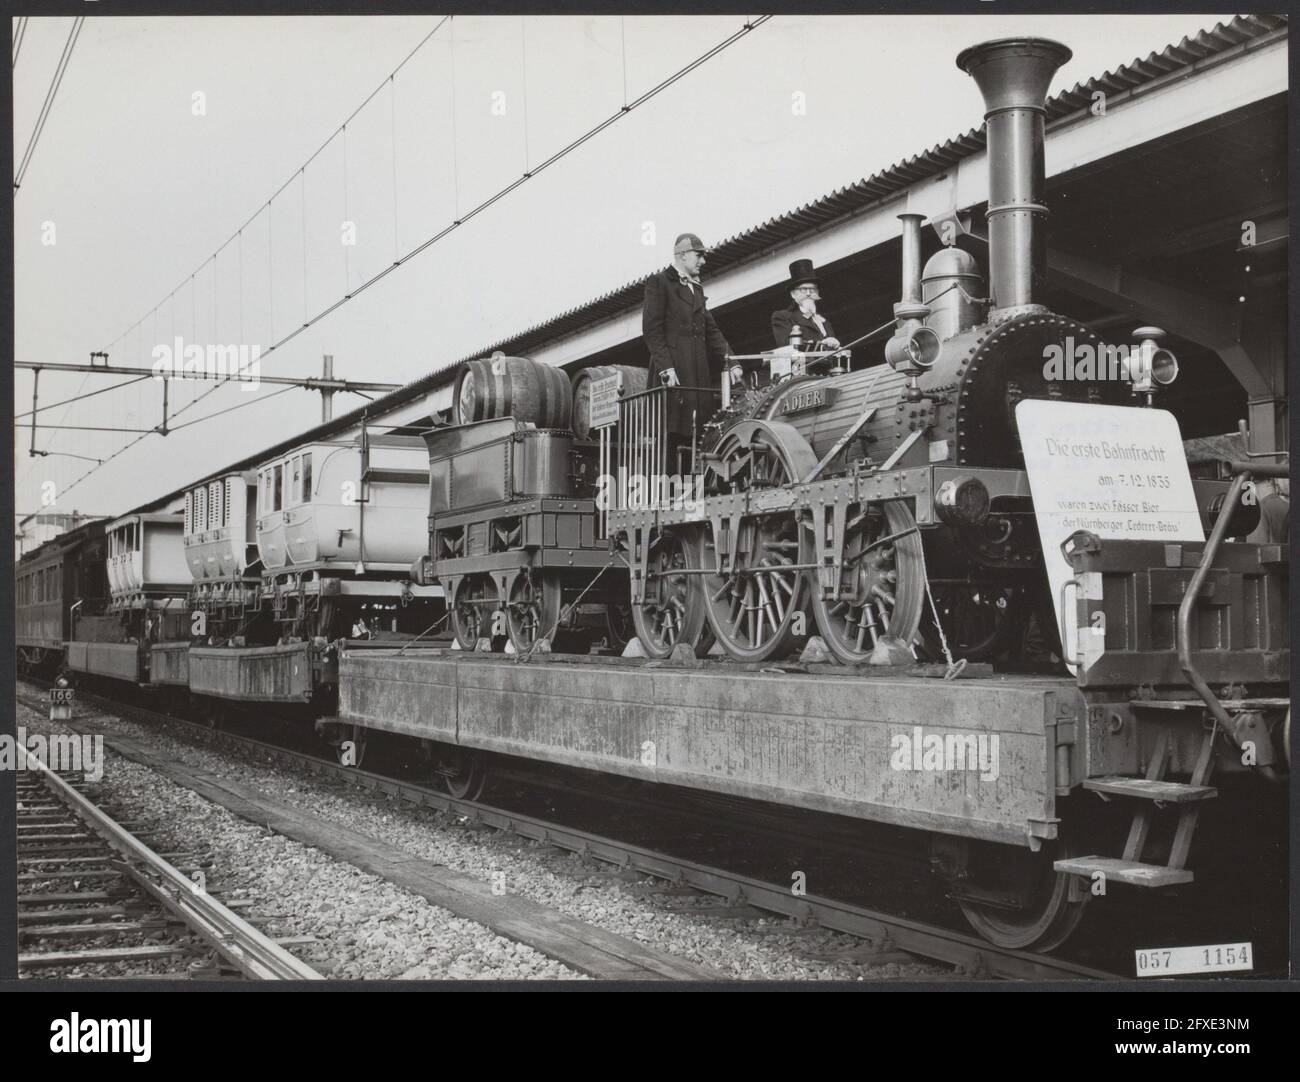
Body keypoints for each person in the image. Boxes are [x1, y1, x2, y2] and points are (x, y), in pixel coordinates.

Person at [642, 233, 733, 444]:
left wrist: (732, 362)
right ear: (682, 255)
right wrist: (666, 368)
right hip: (674, 371)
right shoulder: (659, 282)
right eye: (698, 255)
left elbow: (712, 331)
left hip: (698, 372)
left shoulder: (696, 288)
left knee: (698, 435)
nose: (703, 261)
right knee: (674, 434)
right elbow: (651, 330)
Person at [771, 259, 840, 351]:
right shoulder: (783, 317)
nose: (808, 293)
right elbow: (787, 346)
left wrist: (836, 346)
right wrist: (822, 345)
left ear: (817, 292)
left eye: (812, 289)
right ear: (793, 294)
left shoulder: (825, 322)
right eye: (803, 289)